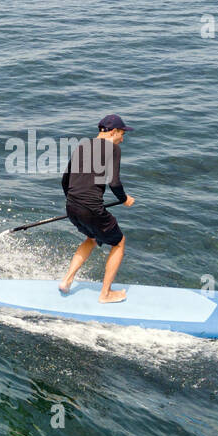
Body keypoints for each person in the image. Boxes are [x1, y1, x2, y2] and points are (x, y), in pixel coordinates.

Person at [58, 115, 135, 302]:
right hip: (90, 208)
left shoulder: (82, 146)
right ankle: (105, 294)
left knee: (91, 238)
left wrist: (75, 203)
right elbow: (114, 182)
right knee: (119, 242)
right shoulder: (113, 148)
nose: (122, 139)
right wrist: (124, 199)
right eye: (122, 134)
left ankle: (66, 281)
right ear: (113, 132)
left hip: (71, 206)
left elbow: (65, 180)